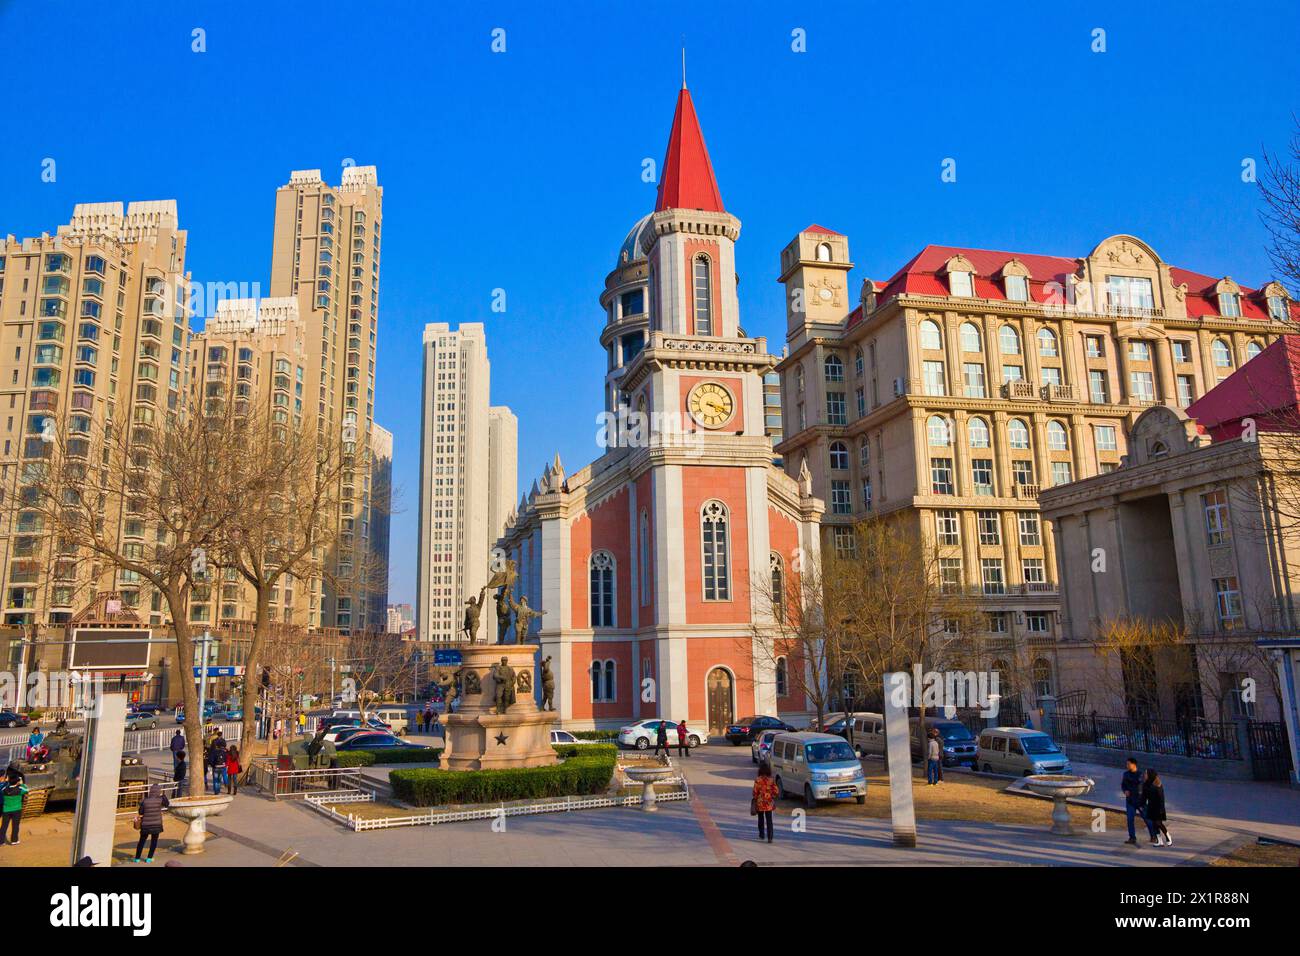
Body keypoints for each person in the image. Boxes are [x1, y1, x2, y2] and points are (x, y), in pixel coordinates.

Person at [133, 783, 170, 863]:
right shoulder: (160, 800)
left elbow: (141, 812)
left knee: (141, 841)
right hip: (156, 825)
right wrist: (164, 796)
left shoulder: (145, 800)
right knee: (154, 841)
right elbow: (167, 804)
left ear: (151, 791)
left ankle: (137, 858)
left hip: (145, 825)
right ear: (158, 791)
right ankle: (149, 858)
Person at [1141, 768, 1171, 846]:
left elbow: (1161, 797)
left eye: (1146, 773)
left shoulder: (1157, 784)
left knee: (1159, 823)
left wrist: (1161, 808)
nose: (1145, 775)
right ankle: (1159, 841)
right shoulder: (1146, 784)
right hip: (1151, 806)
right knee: (1154, 824)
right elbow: (1144, 796)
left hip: (1158, 807)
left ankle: (1168, 836)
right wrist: (1141, 804)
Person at [752, 762, 779, 843]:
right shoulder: (771, 780)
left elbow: (755, 792)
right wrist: (772, 796)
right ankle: (770, 837)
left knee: (760, 819)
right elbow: (776, 791)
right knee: (769, 820)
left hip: (760, 802)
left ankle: (762, 834)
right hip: (769, 802)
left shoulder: (758, 780)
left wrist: (756, 798)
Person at [0, 769, 28, 846]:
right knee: (15, 826)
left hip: (6, 810)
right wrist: (21, 783)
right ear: (17, 782)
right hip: (16, 810)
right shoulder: (20, 789)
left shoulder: (4, 789)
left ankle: (1, 841)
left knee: (4, 826)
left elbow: (3, 788)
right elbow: (26, 789)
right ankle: (14, 840)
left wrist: (7, 782)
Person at [1121, 757, 1145, 846]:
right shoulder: (1126, 774)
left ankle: (1153, 835)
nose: (1127, 765)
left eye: (1128, 764)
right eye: (1126, 764)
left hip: (1140, 800)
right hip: (1130, 800)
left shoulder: (1141, 774)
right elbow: (1123, 785)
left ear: (1134, 764)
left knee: (1146, 818)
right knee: (1130, 819)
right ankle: (1132, 837)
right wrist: (1125, 790)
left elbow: (1141, 785)